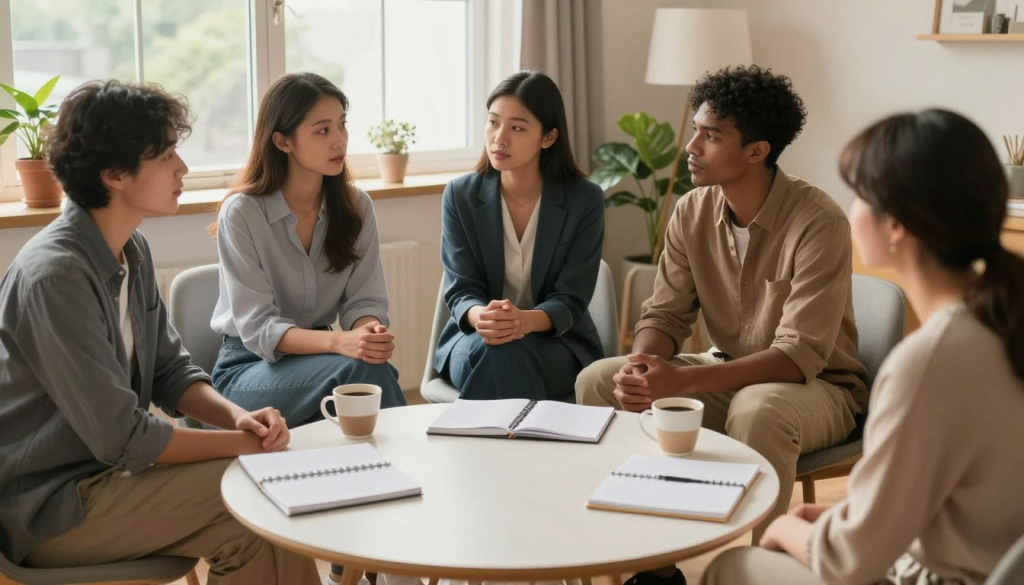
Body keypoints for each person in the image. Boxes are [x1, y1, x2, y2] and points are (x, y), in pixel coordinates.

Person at [0, 80, 319, 583]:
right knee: (262, 495)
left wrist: (240, 421)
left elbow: (171, 373)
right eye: (168, 154)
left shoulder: (131, 250)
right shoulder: (55, 276)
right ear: (114, 174)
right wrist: (242, 446)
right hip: (53, 508)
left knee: (264, 505)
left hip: (113, 480)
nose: (183, 168)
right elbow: (124, 438)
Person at [702, 110, 1024, 584]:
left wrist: (788, 529)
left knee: (735, 565)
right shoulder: (1000, 322)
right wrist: (837, 522)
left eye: (859, 194)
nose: (849, 209)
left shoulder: (929, 361)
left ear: (895, 225)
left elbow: (847, 564)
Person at [576, 65, 869, 585]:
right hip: (726, 371)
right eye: (696, 130)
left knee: (761, 407)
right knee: (599, 378)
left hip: (817, 388)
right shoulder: (691, 211)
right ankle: (653, 565)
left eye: (710, 136)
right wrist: (645, 363)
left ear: (757, 150)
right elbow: (665, 314)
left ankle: (768, 571)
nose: (691, 146)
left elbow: (797, 355)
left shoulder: (818, 221)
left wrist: (681, 380)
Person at [209, 71, 409, 585]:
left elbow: (367, 300)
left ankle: (367, 552)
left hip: (325, 364)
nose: (340, 140)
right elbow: (257, 329)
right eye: (321, 130)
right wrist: (344, 342)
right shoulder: (243, 213)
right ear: (282, 140)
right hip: (246, 372)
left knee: (364, 370)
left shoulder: (355, 207)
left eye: (342, 125)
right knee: (358, 376)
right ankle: (384, 552)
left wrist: (366, 331)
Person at [436, 70, 605, 402]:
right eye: (493, 122)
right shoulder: (460, 195)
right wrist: (483, 317)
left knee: (503, 356)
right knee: (497, 353)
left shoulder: (584, 199)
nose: (499, 138)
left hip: (556, 342)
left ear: (548, 137)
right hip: (475, 338)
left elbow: (571, 297)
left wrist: (522, 322)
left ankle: (480, 448)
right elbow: (461, 289)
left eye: (516, 127)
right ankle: (533, 449)